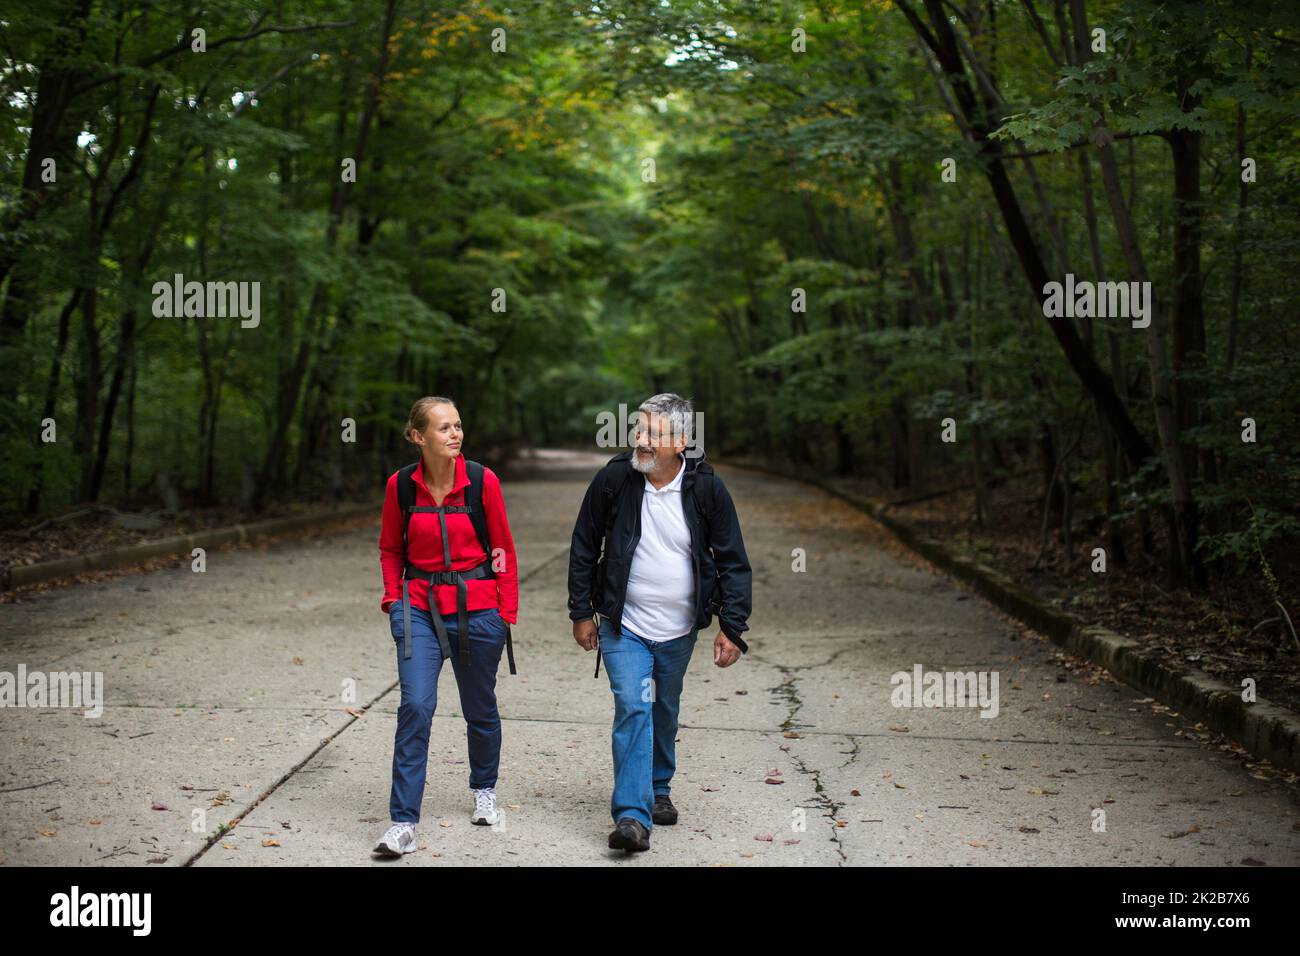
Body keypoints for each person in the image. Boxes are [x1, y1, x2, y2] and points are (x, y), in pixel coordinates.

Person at [568, 393, 752, 853]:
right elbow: (584, 543)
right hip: (623, 622)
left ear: (683, 442)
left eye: (654, 432)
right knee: (633, 704)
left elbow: (732, 562)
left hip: (679, 627)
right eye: (639, 429)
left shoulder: (707, 489)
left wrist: (733, 626)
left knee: (663, 707)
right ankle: (632, 815)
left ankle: (659, 785)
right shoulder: (615, 479)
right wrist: (580, 611)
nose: (642, 440)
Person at [372, 396, 519, 857]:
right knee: (415, 706)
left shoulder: (481, 481)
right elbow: (391, 549)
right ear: (418, 437)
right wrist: (394, 601)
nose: (455, 434)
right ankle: (402, 823)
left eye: (458, 425)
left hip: (478, 611)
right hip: (419, 610)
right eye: (443, 428)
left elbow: (503, 548)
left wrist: (504, 614)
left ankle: (484, 789)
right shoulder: (400, 487)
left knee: (480, 708)